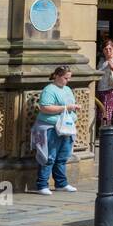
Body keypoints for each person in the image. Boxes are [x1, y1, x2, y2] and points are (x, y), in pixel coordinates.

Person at [35, 66, 79, 195]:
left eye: (69, 78)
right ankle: (42, 184)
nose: (67, 81)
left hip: (66, 127)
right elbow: (45, 108)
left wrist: (73, 108)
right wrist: (66, 107)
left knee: (62, 157)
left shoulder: (67, 89)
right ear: (57, 76)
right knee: (49, 156)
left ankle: (61, 183)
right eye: (65, 78)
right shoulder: (49, 90)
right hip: (51, 127)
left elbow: (70, 106)